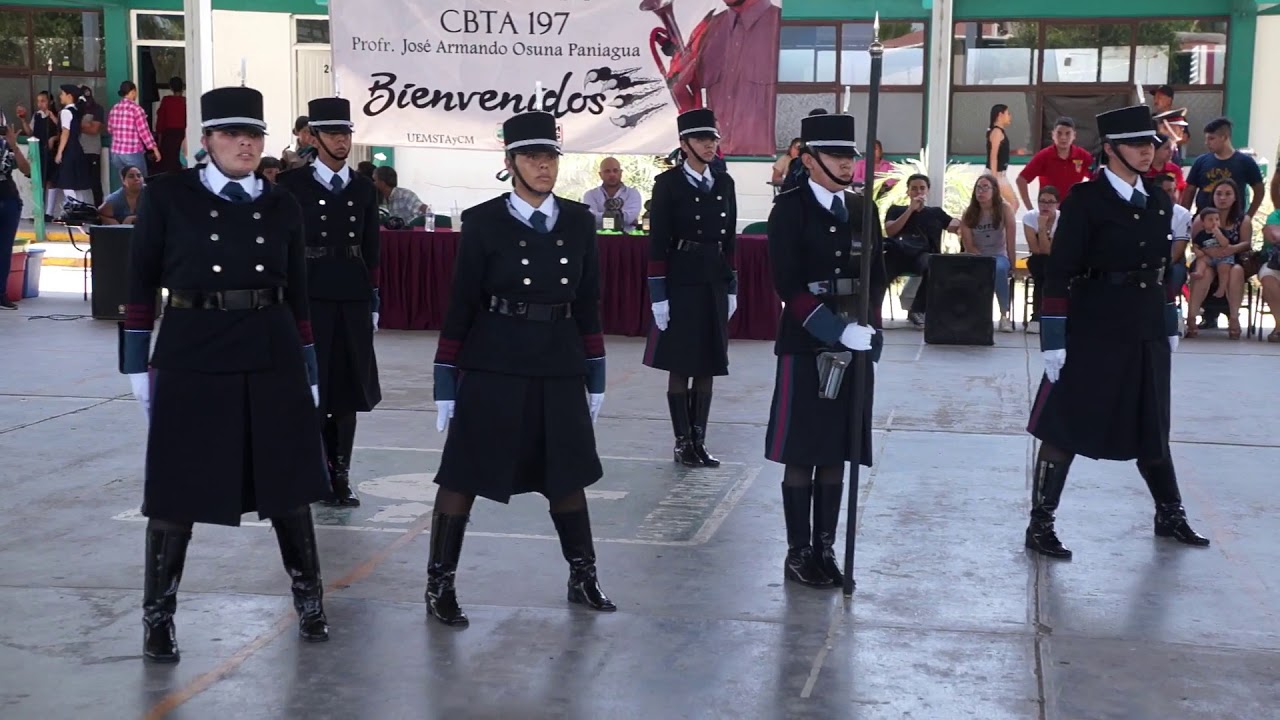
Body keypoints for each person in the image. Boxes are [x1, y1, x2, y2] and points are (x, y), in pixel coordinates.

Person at [118, 85, 332, 662]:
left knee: (289, 483)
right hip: (193, 348)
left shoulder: (282, 202)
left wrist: (308, 361)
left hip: (271, 345)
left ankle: (310, 602)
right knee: (175, 490)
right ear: (206, 139)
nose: (246, 143)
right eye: (233, 133)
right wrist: (136, 360)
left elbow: (300, 292)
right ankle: (158, 618)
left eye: (255, 134)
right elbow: (139, 282)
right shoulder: (168, 197)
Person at [428, 110, 614, 626]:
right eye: (531, 156)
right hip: (494, 361)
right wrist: (447, 376)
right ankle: (439, 583)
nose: (542, 166)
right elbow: (462, 302)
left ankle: (583, 575)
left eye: (549, 156)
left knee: (567, 474)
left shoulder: (579, 221)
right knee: (463, 474)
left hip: (557, 361)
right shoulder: (483, 220)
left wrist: (594, 372)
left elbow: (589, 302)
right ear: (510, 162)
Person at [1026, 105, 1210, 561]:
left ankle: (1169, 512)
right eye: (1136, 144)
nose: (1148, 152)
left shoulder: (1159, 200)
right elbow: (1059, 272)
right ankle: (1040, 523)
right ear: (1109, 150)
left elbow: (1164, 268)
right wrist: (1054, 339)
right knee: (1066, 423)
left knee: (1153, 421)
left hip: (1145, 323)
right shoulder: (1085, 202)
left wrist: (1169, 321)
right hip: (1094, 325)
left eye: (1151, 143)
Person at [764, 112, 884, 589]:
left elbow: (874, 277)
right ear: (809, 159)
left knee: (837, 449)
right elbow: (788, 287)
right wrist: (835, 330)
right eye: (835, 155)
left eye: (850, 155)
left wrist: (868, 329)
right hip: (806, 343)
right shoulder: (789, 210)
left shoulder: (861, 209)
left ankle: (826, 548)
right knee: (803, 451)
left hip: (853, 341)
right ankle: (798, 553)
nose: (847, 163)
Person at [276, 97, 382, 507]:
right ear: (313, 137)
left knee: (348, 389)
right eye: (334, 134)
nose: (342, 141)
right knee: (311, 387)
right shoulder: (290, 186)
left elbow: (372, 248)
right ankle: (312, 473)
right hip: (309, 292)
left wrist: (373, 300)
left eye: (347, 133)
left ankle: (341, 475)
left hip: (351, 295)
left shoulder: (362, 188)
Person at [643, 107, 738, 467]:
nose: (710, 145)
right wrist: (658, 296)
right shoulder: (668, 184)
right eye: (701, 138)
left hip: (713, 278)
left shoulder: (724, 182)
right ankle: (682, 442)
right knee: (681, 365)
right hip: (681, 281)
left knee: (709, 364)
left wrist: (731, 285)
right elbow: (657, 243)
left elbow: (729, 240)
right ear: (684, 144)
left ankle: (700, 440)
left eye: (713, 138)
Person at [882, 173, 958, 328]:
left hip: (923, 256)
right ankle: (872, 310)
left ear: (927, 191)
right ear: (908, 192)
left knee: (934, 264)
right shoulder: (896, 209)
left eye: (922, 188)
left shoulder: (935, 213)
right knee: (881, 266)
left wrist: (960, 221)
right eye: (914, 189)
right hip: (899, 253)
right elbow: (890, 231)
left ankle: (917, 310)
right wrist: (910, 210)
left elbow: (955, 226)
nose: (918, 192)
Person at [959, 172, 1017, 332]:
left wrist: (1012, 264)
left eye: (985, 188)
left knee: (998, 268)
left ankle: (1004, 315)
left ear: (994, 191)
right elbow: (969, 245)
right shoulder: (969, 213)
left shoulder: (1005, 209)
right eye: (978, 188)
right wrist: (981, 259)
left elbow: (1011, 240)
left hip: (998, 255)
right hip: (977, 256)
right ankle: (974, 315)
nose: (981, 192)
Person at [1016, 117, 1091, 210]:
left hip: (1073, 209)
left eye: (1068, 133)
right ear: (1053, 135)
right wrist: (1030, 209)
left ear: (1074, 135)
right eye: (1059, 133)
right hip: (1049, 209)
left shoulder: (1083, 156)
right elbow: (1021, 179)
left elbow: (1096, 178)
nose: (1063, 137)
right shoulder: (1044, 156)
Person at [1, 121, 33, 310]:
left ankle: (1, 293)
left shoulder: (6, 145)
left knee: (4, 250)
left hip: (9, 199)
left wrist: (13, 144)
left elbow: (26, 169)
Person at [1020, 185, 1060, 334]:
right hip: (1038, 260)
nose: (1045, 205)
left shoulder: (1063, 219)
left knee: (1047, 268)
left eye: (1050, 202)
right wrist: (1042, 227)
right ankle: (1039, 314)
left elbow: (1050, 251)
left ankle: (1042, 314)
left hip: (1058, 260)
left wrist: (1043, 228)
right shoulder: (1029, 217)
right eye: (1042, 201)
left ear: (1057, 204)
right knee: (1040, 265)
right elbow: (1037, 250)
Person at [53, 84, 94, 204]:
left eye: (62, 94)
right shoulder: (77, 110)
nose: (60, 96)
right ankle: (81, 209)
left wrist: (59, 152)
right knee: (77, 184)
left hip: (69, 149)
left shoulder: (66, 112)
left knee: (67, 182)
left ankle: (75, 208)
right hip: (77, 148)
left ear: (69, 96)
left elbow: (65, 132)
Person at [581, 156, 643, 230]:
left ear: (621, 173)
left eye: (615, 170)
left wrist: (601, 217)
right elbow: (591, 218)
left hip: (627, 239)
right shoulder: (590, 195)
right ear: (600, 175)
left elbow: (628, 218)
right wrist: (619, 217)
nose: (612, 174)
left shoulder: (633, 194)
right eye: (607, 171)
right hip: (598, 239)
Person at [1189, 208, 1234, 299]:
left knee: (1223, 268)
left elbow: (1225, 243)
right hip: (1209, 257)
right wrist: (1198, 251)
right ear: (1203, 223)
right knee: (1201, 260)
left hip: (1223, 257)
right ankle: (1199, 272)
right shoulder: (1201, 234)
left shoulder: (1222, 232)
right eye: (1210, 220)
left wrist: (1218, 234)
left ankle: (1222, 288)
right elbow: (1195, 245)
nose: (1214, 222)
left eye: (1217, 219)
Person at [154, 76, 187, 173]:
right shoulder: (186, 101)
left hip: (169, 137)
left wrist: (159, 142)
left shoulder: (166, 101)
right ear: (183, 87)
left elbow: (161, 121)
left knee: (168, 166)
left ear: (171, 88)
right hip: (183, 135)